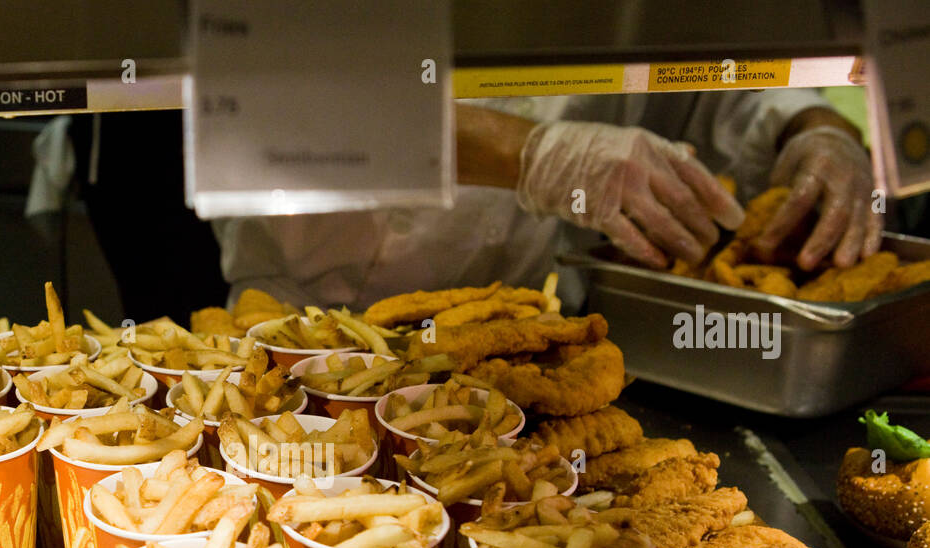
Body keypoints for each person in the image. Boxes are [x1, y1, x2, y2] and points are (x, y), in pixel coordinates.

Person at [213, 90, 881, 312]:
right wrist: (530, 155)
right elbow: (288, 91)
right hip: (307, 321)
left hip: (525, 331)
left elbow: (708, 74)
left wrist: (812, 126)